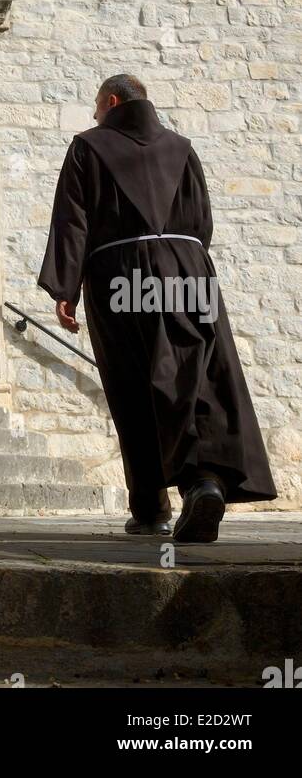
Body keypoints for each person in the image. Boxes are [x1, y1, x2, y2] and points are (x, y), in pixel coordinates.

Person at [38, 74, 277, 542]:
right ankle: (203, 482)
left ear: (110, 102)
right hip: (189, 267)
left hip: (120, 273)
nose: (92, 117)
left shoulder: (88, 147)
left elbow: (74, 219)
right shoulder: (182, 148)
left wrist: (65, 288)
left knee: (133, 384)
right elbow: (202, 221)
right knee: (195, 374)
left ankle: (150, 508)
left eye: (95, 107)